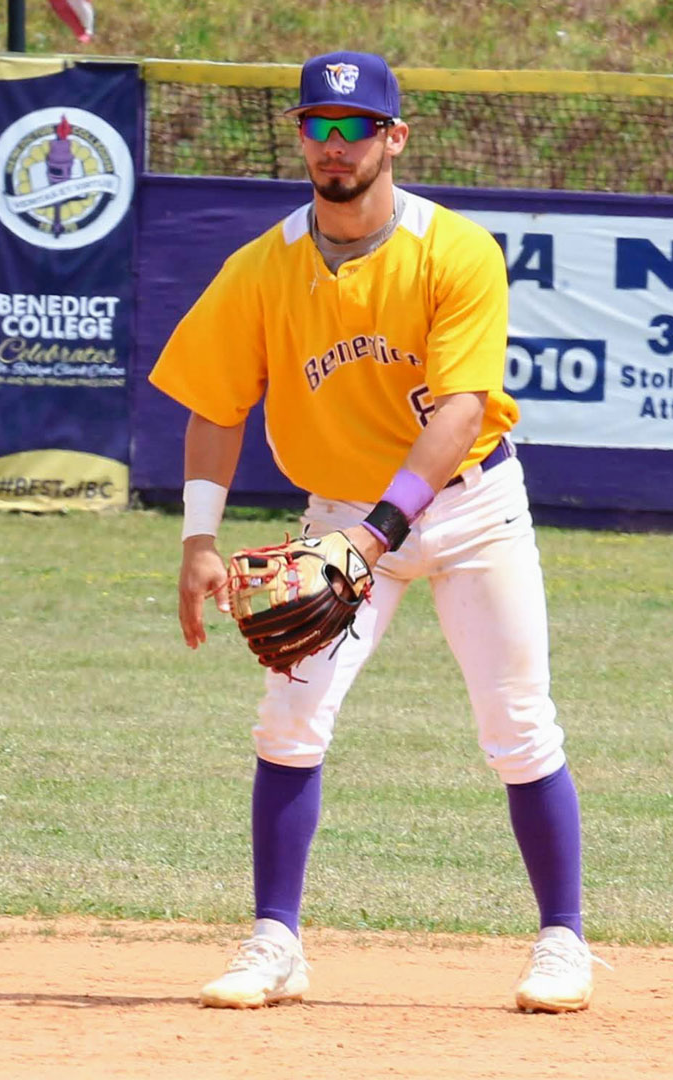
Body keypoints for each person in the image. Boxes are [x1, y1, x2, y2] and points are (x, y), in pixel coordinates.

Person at [148, 50, 600, 1014]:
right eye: (317, 125)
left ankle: (562, 940)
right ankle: (276, 941)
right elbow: (214, 404)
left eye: (355, 128)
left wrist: (379, 534)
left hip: (470, 509)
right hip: (339, 518)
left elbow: (460, 410)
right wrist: (197, 539)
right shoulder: (260, 268)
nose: (334, 145)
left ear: (395, 137)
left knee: (517, 728)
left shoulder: (454, 250)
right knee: (289, 720)